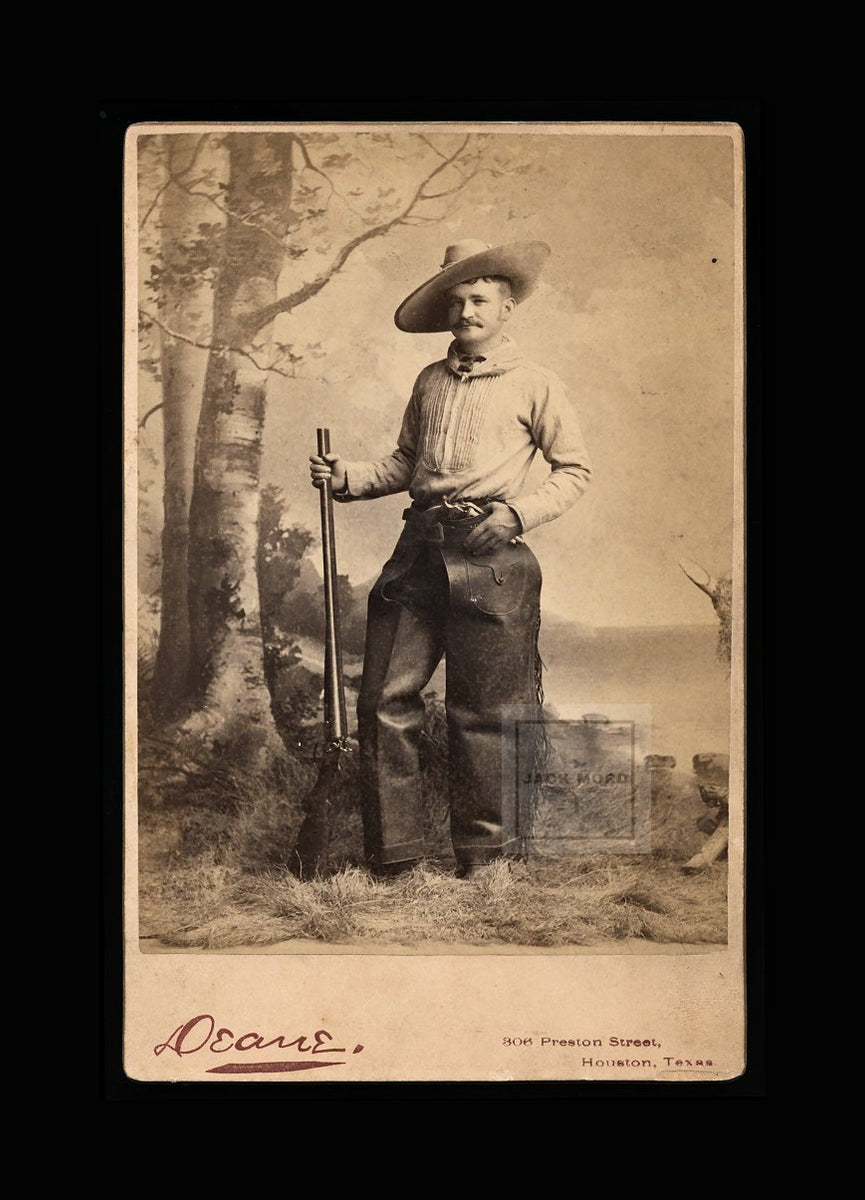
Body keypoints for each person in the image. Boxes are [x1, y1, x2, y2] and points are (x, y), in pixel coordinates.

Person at [309, 239, 592, 878]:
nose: (466, 311)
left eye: (479, 299)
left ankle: (485, 860)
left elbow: (574, 470)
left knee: (485, 711)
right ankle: (397, 858)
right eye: (457, 300)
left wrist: (517, 514)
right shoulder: (429, 381)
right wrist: (345, 473)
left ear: (507, 306)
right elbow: (406, 463)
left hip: (491, 557)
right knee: (384, 700)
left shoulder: (537, 384)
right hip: (418, 552)